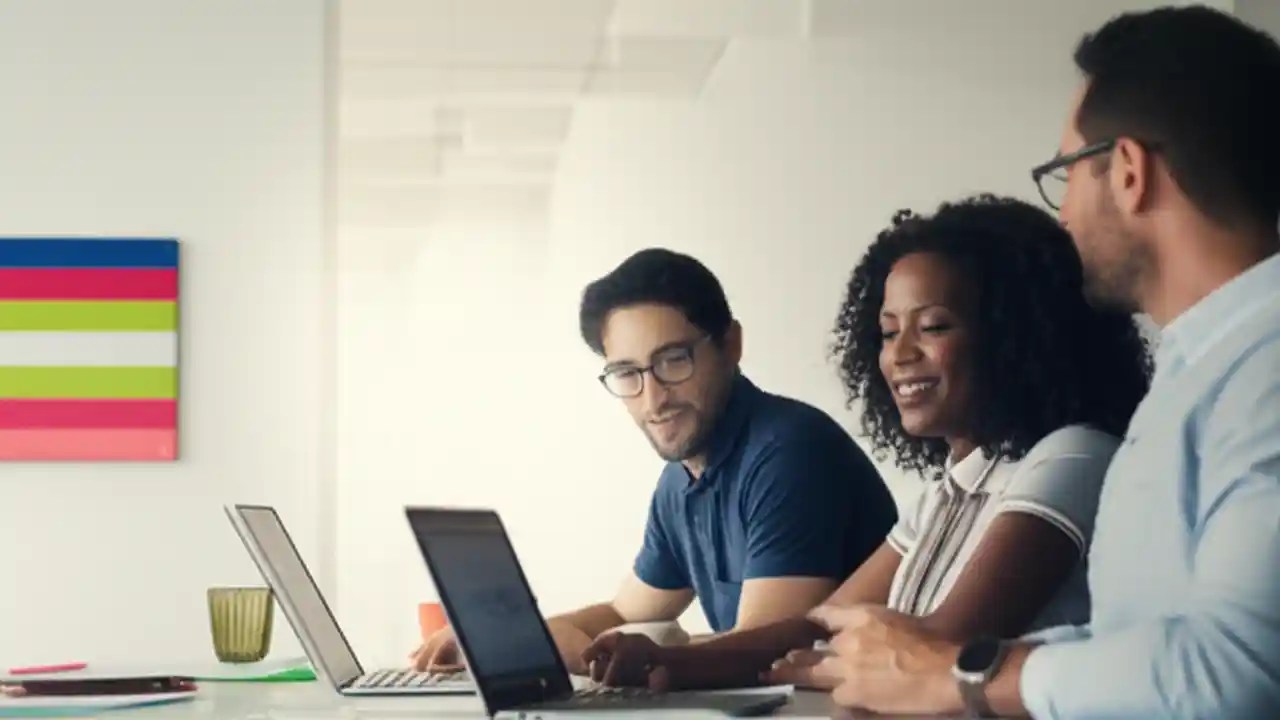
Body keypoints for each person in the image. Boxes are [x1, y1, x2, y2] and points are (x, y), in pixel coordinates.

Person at [809, 7, 1280, 719]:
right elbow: (1136, 641)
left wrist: (959, 675)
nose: (1060, 218)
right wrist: (922, 668)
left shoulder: (1265, 373)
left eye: (1065, 173)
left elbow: (1239, 670)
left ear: (1127, 172)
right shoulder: (1193, 373)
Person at [579, 196, 1151, 690]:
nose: (899, 356)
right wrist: (671, 663)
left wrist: (822, 657)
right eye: (887, 332)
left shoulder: (1072, 455)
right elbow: (823, 624)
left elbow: (940, 647)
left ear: (1013, 335)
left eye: (932, 327)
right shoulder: (954, 487)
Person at [412, 247, 897, 674]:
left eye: (672, 361)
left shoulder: (790, 452)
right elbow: (626, 612)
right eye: (627, 372)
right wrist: (506, 642)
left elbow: (761, 652)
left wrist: (583, 656)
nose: (653, 398)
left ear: (731, 346)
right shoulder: (679, 482)